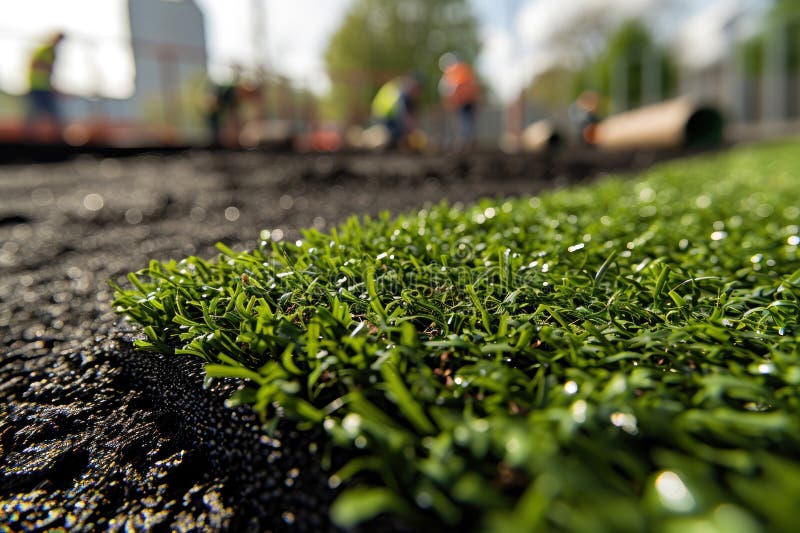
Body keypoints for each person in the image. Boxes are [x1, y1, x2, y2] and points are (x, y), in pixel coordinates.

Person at [27, 31, 65, 141]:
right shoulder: (45, 50)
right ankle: (30, 138)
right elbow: (34, 64)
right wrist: (47, 67)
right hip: (37, 87)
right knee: (37, 113)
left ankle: (57, 137)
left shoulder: (52, 52)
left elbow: (49, 73)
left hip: (45, 87)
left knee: (50, 113)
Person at [438, 52, 479, 148]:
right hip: (467, 100)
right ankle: (466, 140)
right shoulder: (464, 69)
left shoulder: (455, 71)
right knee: (466, 121)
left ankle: (465, 140)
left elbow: (451, 87)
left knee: (464, 121)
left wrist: (450, 98)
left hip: (463, 101)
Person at [370, 75, 423, 150]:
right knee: (397, 134)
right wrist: (413, 129)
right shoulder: (401, 94)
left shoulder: (402, 89)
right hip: (383, 118)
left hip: (388, 117)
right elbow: (402, 116)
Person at [205, 66, 243, 147]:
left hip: (221, 109)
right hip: (217, 112)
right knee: (216, 128)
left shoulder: (230, 91)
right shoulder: (224, 91)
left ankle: (222, 142)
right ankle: (218, 143)